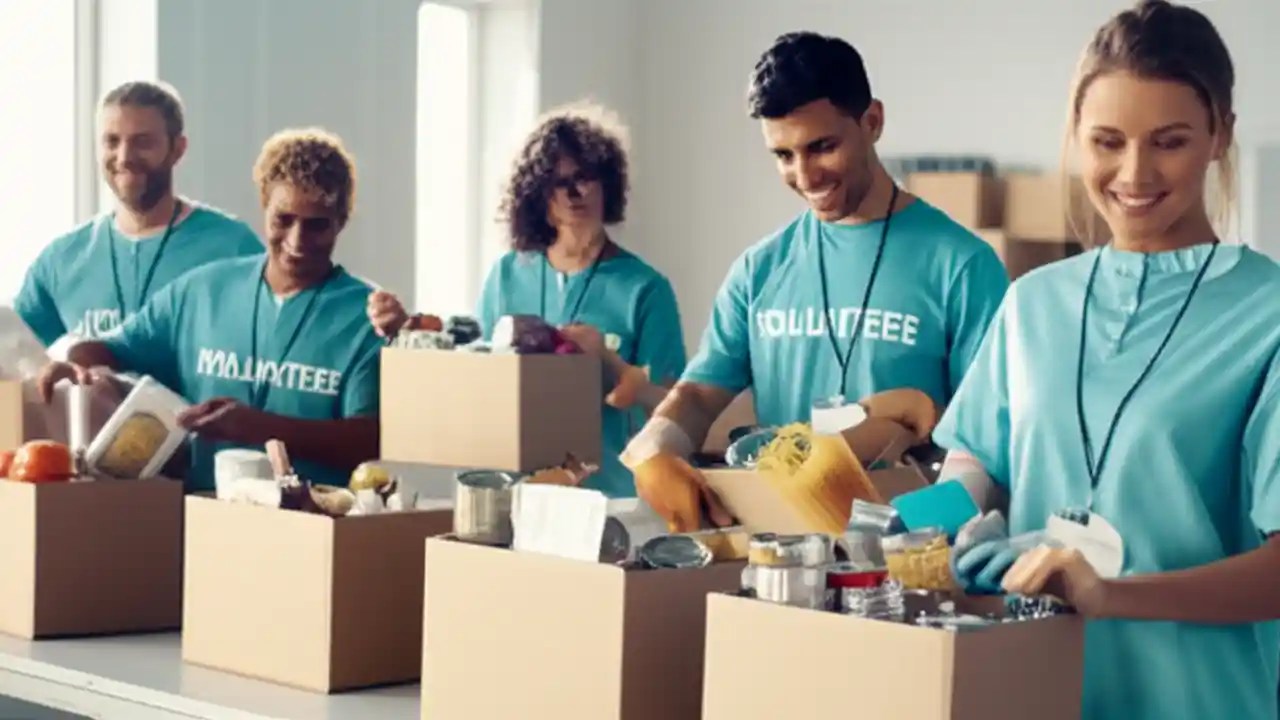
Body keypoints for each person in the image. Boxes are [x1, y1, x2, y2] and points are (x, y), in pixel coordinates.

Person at [931, 2, 1280, 718]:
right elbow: (976, 461)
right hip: (1034, 688)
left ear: (1221, 135)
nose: (1134, 172)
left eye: (1170, 141)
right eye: (1107, 141)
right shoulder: (1032, 303)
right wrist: (924, 522)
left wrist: (1108, 594)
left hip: (1198, 700)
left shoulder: (1268, 314)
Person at [620, 32, 1009, 517]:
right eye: (783, 156)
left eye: (821, 147)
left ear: (873, 122)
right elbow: (700, 393)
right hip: (780, 553)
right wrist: (655, 448)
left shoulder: (963, 267)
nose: (805, 176)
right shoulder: (759, 270)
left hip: (906, 557)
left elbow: (991, 446)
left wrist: (917, 531)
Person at [368, 102, 687, 498]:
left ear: (607, 182)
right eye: (559, 182)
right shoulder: (507, 275)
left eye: (585, 176)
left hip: (606, 496)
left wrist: (610, 363)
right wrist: (410, 331)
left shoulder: (645, 288)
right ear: (538, 196)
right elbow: (478, 375)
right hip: (513, 494)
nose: (575, 192)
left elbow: (675, 409)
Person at [37, 128, 382, 492]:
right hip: (198, 518)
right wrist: (75, 362)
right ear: (264, 206)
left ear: (341, 221)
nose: (297, 240)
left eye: (317, 226)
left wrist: (257, 426)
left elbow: (368, 439)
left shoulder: (366, 318)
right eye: (284, 220)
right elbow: (114, 349)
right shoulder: (201, 291)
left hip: (310, 528)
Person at [14, 80, 262, 347]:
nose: (124, 157)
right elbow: (16, 358)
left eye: (142, 143)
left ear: (177, 149)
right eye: (111, 141)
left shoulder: (232, 247)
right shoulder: (62, 258)